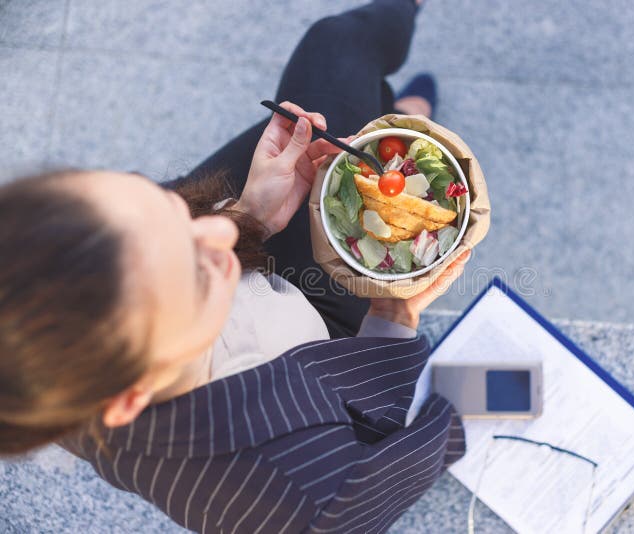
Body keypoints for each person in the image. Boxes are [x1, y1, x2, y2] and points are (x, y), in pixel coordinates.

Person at [0, 1, 469, 532]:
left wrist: (251, 216)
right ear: (128, 398)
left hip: (270, 284)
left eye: (167, 204)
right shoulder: (300, 499)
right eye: (197, 273)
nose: (220, 232)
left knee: (338, 49)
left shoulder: (48, 373)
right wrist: (393, 314)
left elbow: (219, 232)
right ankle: (391, 105)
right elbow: (374, 446)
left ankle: (387, 94)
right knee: (345, 71)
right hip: (332, 340)